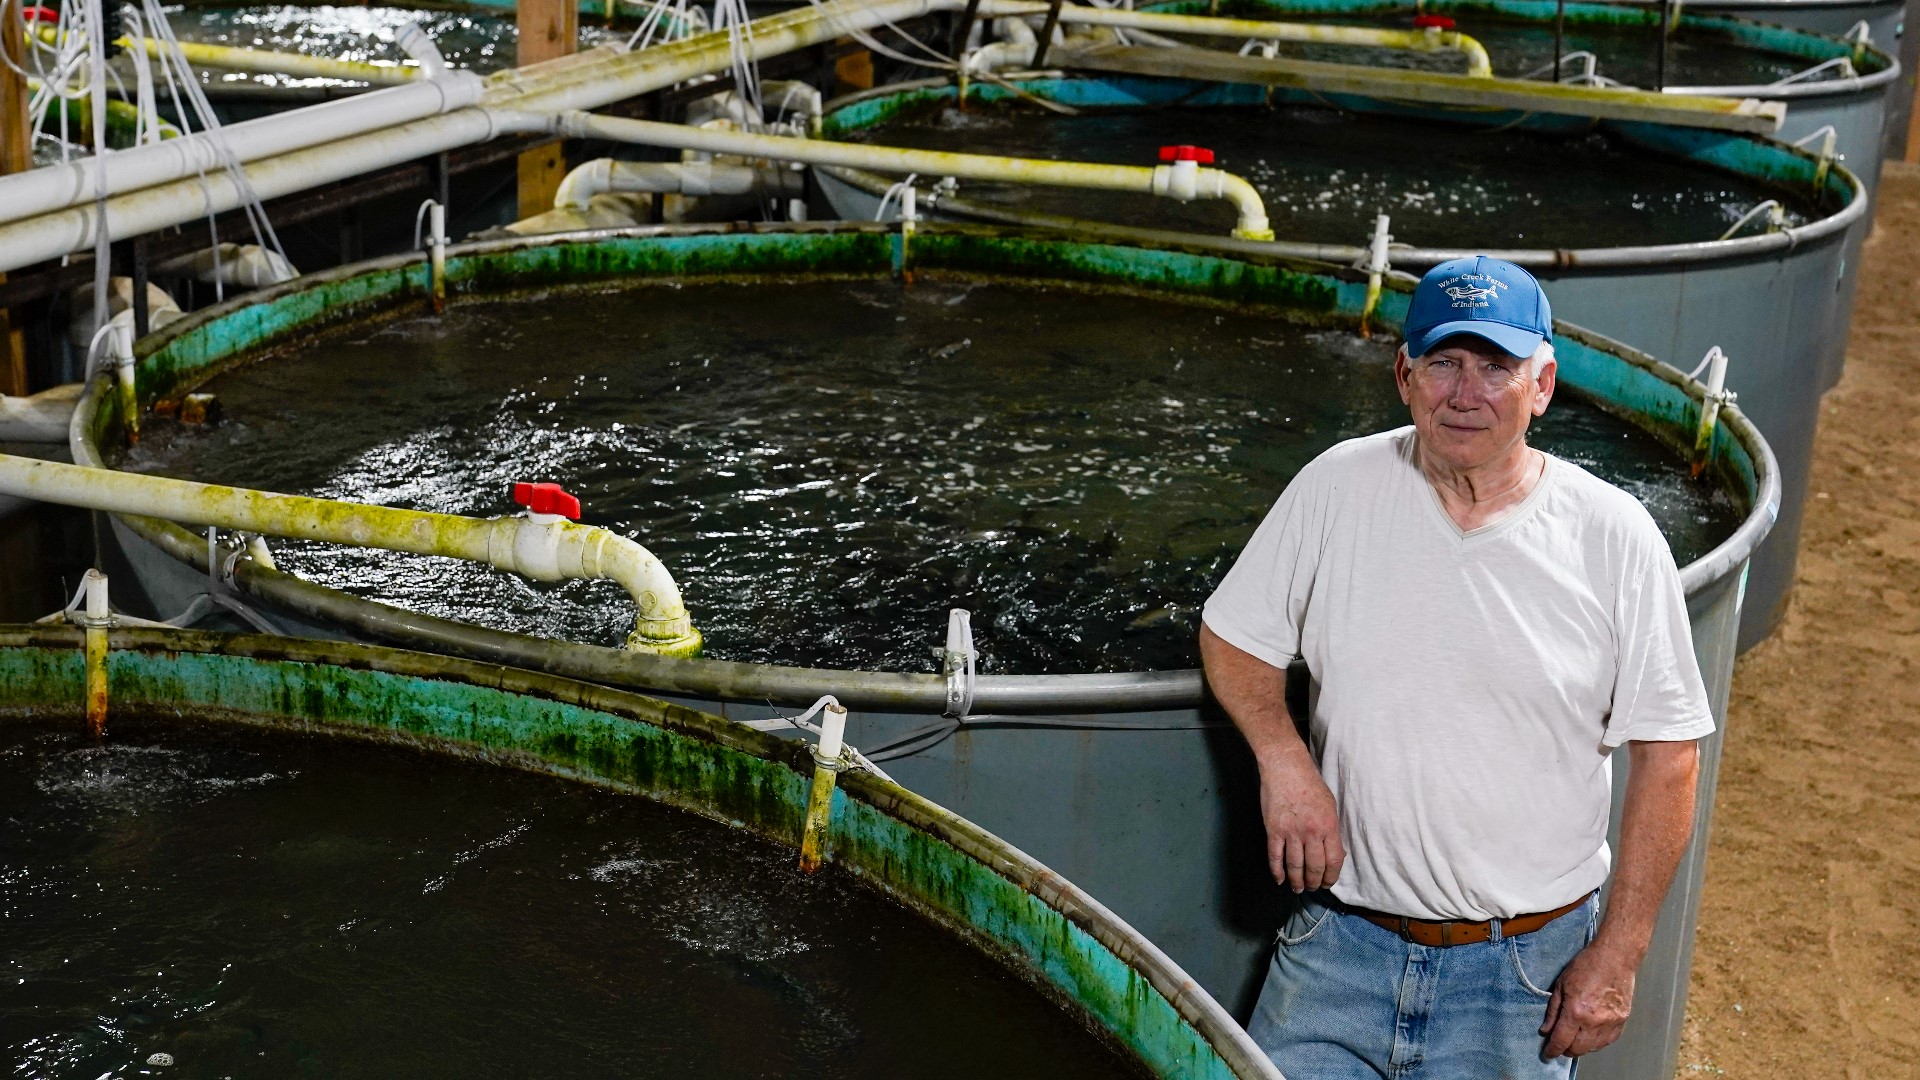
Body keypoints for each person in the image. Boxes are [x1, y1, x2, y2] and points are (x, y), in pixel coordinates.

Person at [1199, 255, 1712, 1079]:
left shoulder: (1612, 536)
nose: (1464, 392)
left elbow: (1669, 756)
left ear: (1543, 384)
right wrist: (1285, 760)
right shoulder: (1337, 488)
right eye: (1443, 362)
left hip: (1520, 975)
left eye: (1496, 367)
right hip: (1338, 946)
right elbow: (1233, 635)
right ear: (1405, 375)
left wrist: (1618, 955)